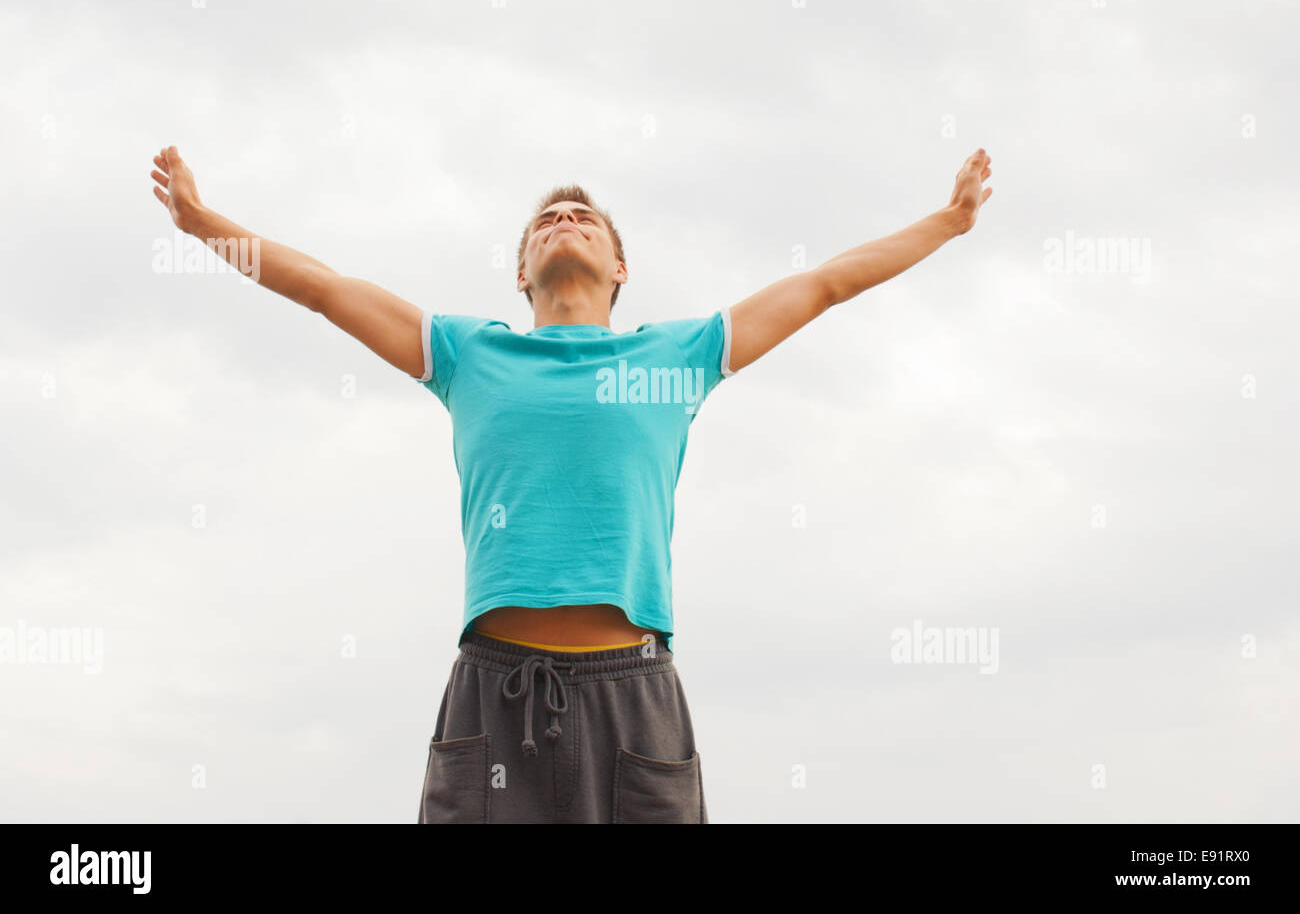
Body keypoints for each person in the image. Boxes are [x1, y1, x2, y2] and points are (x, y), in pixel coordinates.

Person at [150, 145, 993, 823]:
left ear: (621, 267)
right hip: (492, 696)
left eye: (584, 218)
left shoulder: (675, 360)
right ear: (521, 272)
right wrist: (200, 223)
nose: (564, 221)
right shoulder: (466, 353)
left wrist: (949, 222)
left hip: (634, 705)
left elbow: (824, 284)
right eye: (546, 221)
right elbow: (327, 290)